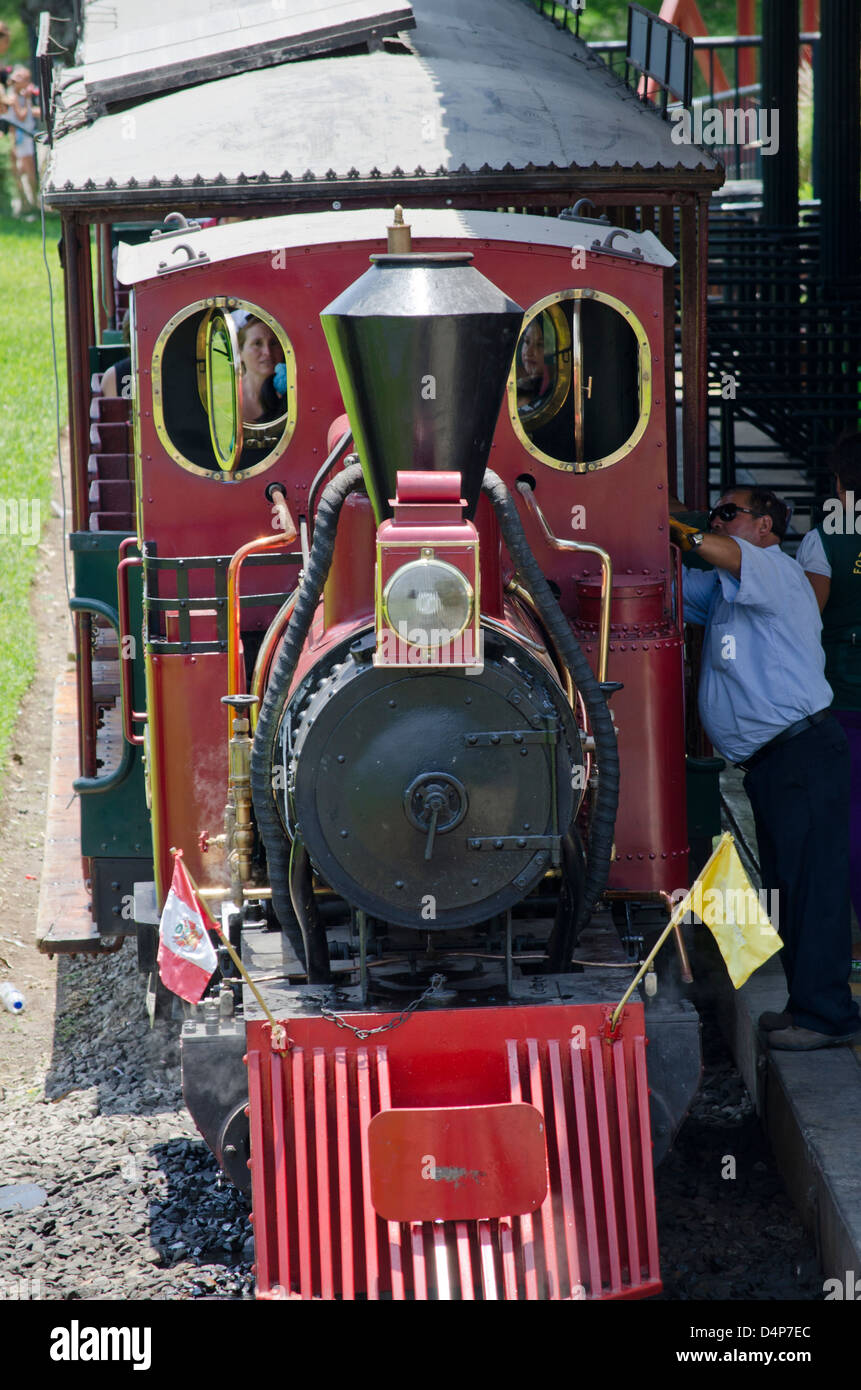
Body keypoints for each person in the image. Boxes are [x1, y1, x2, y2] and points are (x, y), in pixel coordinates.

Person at [672, 486, 861, 1050]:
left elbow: (712, 553)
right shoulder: (730, 593)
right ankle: (808, 1006)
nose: (717, 522)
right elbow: (673, 590)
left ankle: (827, 1016)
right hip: (777, 761)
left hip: (800, 753)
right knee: (789, 884)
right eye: (714, 515)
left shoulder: (776, 571)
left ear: (765, 528)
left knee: (812, 887)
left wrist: (676, 525)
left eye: (729, 513)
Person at [795, 434, 861, 932]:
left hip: (843, 697)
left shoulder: (824, 540)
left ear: (840, 484)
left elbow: (804, 623)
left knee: (848, 820)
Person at [236, 314, 285, 424]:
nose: (267, 352)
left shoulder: (293, 392)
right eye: (257, 343)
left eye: (273, 343)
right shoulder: (228, 397)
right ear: (240, 353)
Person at [7, 65, 40, 214]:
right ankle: (32, 202)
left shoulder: (18, 95)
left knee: (25, 170)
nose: (27, 82)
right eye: (25, 79)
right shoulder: (14, 97)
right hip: (22, 137)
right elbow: (21, 116)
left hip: (25, 136)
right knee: (29, 170)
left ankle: (29, 202)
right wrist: (27, 98)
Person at [516, 317, 551, 409]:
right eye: (527, 342)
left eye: (540, 345)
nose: (528, 352)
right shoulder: (521, 381)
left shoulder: (552, 393)